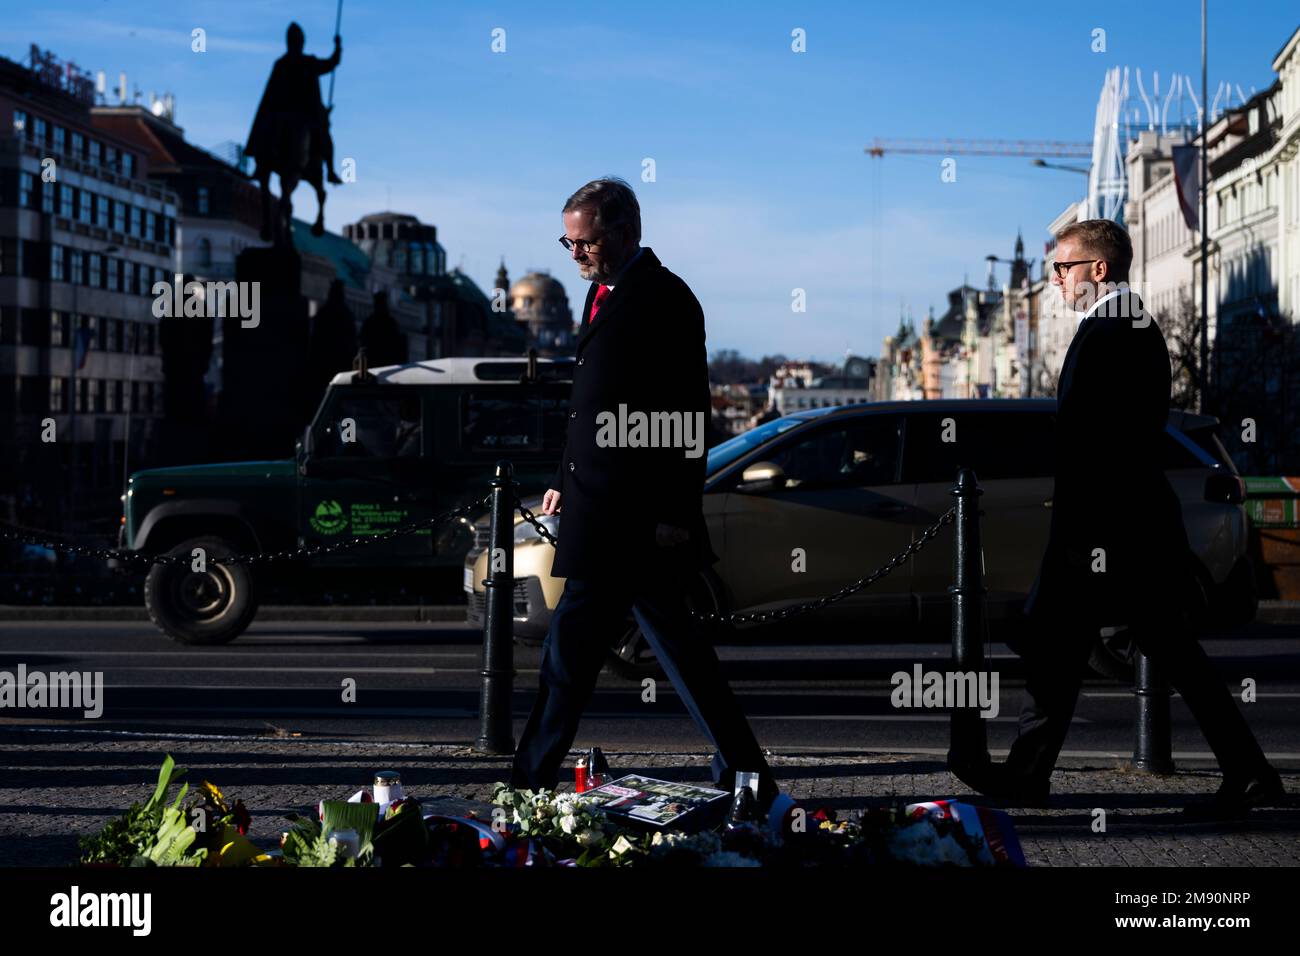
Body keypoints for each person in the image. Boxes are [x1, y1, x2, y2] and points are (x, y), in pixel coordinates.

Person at [952, 218, 1284, 820]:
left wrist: (1082, 539)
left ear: (1097, 269)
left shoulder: (1115, 330)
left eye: (1063, 267)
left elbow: (1105, 445)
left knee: (1087, 649)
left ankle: (1247, 773)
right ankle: (1249, 773)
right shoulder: (1119, 326)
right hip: (1122, 525)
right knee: (1135, 651)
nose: (1054, 279)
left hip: (1111, 529)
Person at [509, 178, 780, 808]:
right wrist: (563, 478)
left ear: (626, 232)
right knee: (664, 661)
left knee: (574, 664)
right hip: (600, 509)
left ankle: (526, 789)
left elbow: (688, 418)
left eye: (586, 242)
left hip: (634, 520)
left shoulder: (667, 299)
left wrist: (673, 514)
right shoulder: (603, 292)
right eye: (568, 242)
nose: (574, 255)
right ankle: (751, 780)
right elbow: (592, 405)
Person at [245, 22, 344, 186]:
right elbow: (332, 63)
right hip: (299, 115)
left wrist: (337, 49)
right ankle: (330, 171)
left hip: (287, 115)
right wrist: (338, 47)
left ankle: (261, 167)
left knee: (321, 135)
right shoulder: (300, 63)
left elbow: (331, 64)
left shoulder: (288, 63)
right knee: (324, 136)